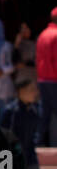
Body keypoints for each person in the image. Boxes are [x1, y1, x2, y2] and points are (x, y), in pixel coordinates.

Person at [37, 8, 57, 146]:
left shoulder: (43, 34)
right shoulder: (55, 35)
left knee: (45, 113)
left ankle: (36, 143)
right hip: (54, 78)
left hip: (43, 78)